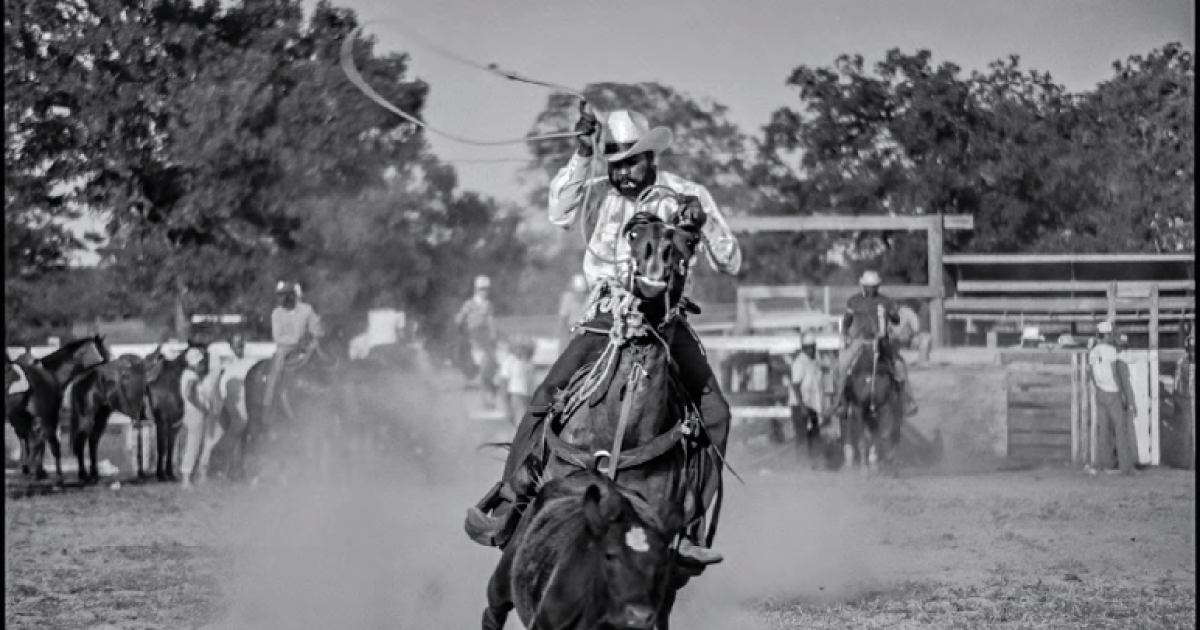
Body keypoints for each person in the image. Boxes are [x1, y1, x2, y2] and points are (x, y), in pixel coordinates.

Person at [465, 105, 741, 566]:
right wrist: (579, 153)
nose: (624, 173)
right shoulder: (596, 196)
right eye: (614, 165)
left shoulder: (686, 193)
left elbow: (730, 260)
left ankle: (689, 529)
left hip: (667, 326)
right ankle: (510, 505)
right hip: (602, 319)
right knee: (544, 396)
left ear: (651, 156)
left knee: (716, 413)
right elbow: (557, 212)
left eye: (632, 162)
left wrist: (702, 223)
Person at [830, 270, 918, 417]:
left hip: (882, 339)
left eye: (874, 286)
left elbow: (896, 320)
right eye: (868, 286)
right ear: (862, 286)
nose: (871, 289)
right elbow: (848, 318)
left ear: (878, 286)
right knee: (842, 366)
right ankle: (840, 403)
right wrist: (844, 331)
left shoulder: (886, 301)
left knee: (899, 366)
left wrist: (891, 314)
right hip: (860, 340)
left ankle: (908, 401)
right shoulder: (854, 301)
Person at [262, 281, 322, 421]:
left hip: (307, 346)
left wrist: (315, 337)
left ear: (291, 295)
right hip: (286, 349)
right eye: (279, 295)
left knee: (324, 358)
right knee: (275, 372)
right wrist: (296, 341)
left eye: (283, 295)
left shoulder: (306, 309)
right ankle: (268, 406)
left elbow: (315, 327)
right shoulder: (277, 313)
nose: (280, 298)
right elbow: (278, 337)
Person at [1087, 320, 1137, 475]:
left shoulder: (1093, 352)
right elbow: (1118, 375)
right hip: (1113, 393)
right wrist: (1126, 398)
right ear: (1107, 335)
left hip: (1100, 393)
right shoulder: (1112, 352)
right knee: (1120, 429)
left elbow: (1092, 376)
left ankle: (1106, 463)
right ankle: (1125, 466)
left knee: (1104, 430)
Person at [455, 275, 499, 403]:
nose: (484, 292)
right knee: (486, 363)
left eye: (486, 289)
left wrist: (493, 336)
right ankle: (486, 393)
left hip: (484, 336)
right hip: (474, 335)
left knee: (490, 363)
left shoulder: (488, 304)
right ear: (476, 289)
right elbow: (459, 318)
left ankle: (488, 392)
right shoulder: (469, 304)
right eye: (482, 289)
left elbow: (491, 322)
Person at [786, 333, 824, 460]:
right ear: (803, 348)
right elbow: (795, 386)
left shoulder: (812, 362)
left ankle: (813, 462)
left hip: (811, 405)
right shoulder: (800, 363)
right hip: (800, 405)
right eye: (808, 347)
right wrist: (802, 407)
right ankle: (802, 464)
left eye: (812, 347)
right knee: (802, 437)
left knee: (814, 435)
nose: (811, 350)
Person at [496, 336, 536, 428]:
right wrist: (507, 406)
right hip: (516, 396)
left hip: (529, 397)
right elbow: (504, 383)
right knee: (521, 423)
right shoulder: (510, 361)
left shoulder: (529, 363)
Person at [1175, 335, 1195, 469]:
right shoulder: (1182, 362)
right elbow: (1177, 383)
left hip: (1188, 398)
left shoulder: (1182, 362)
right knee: (1186, 431)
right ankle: (1188, 463)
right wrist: (1177, 398)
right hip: (1186, 399)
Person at [557, 274, 591, 350]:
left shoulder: (590, 299)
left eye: (582, 292)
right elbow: (563, 319)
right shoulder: (568, 298)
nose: (580, 295)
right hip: (572, 330)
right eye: (578, 292)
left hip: (586, 332)